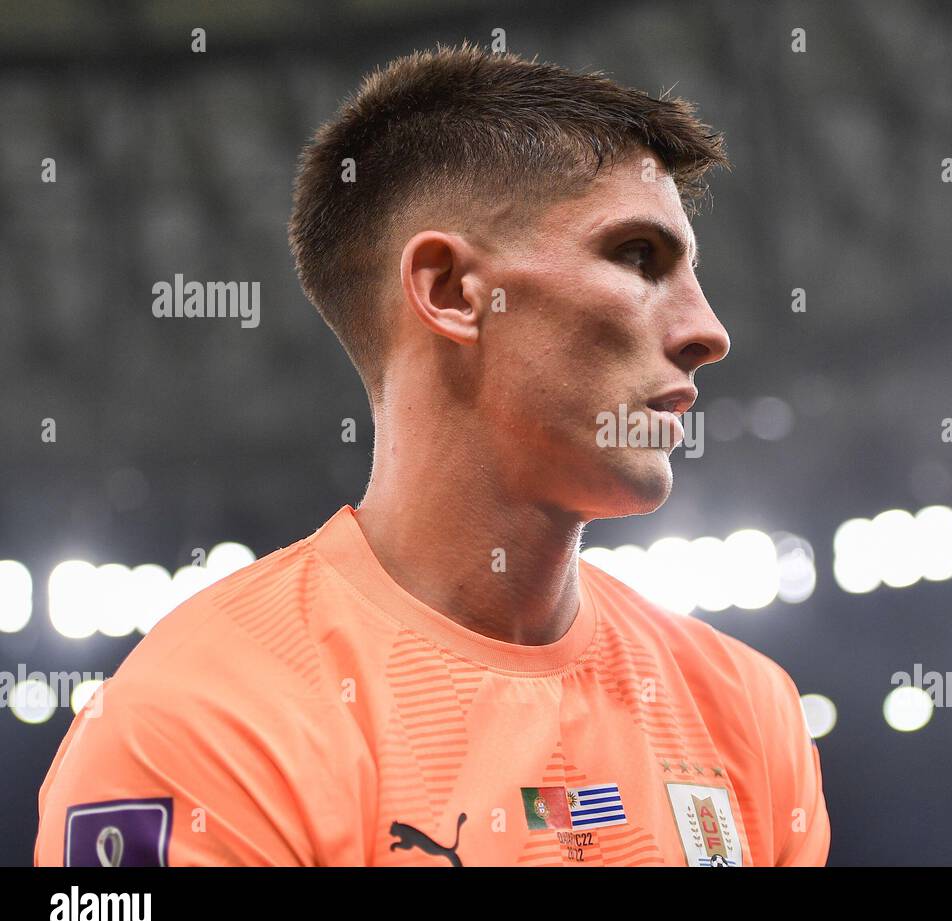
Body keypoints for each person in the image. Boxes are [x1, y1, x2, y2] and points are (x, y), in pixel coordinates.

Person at [34, 42, 829, 867]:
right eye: (638, 256)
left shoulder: (743, 707)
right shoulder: (199, 723)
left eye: (691, 270)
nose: (709, 332)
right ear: (451, 292)